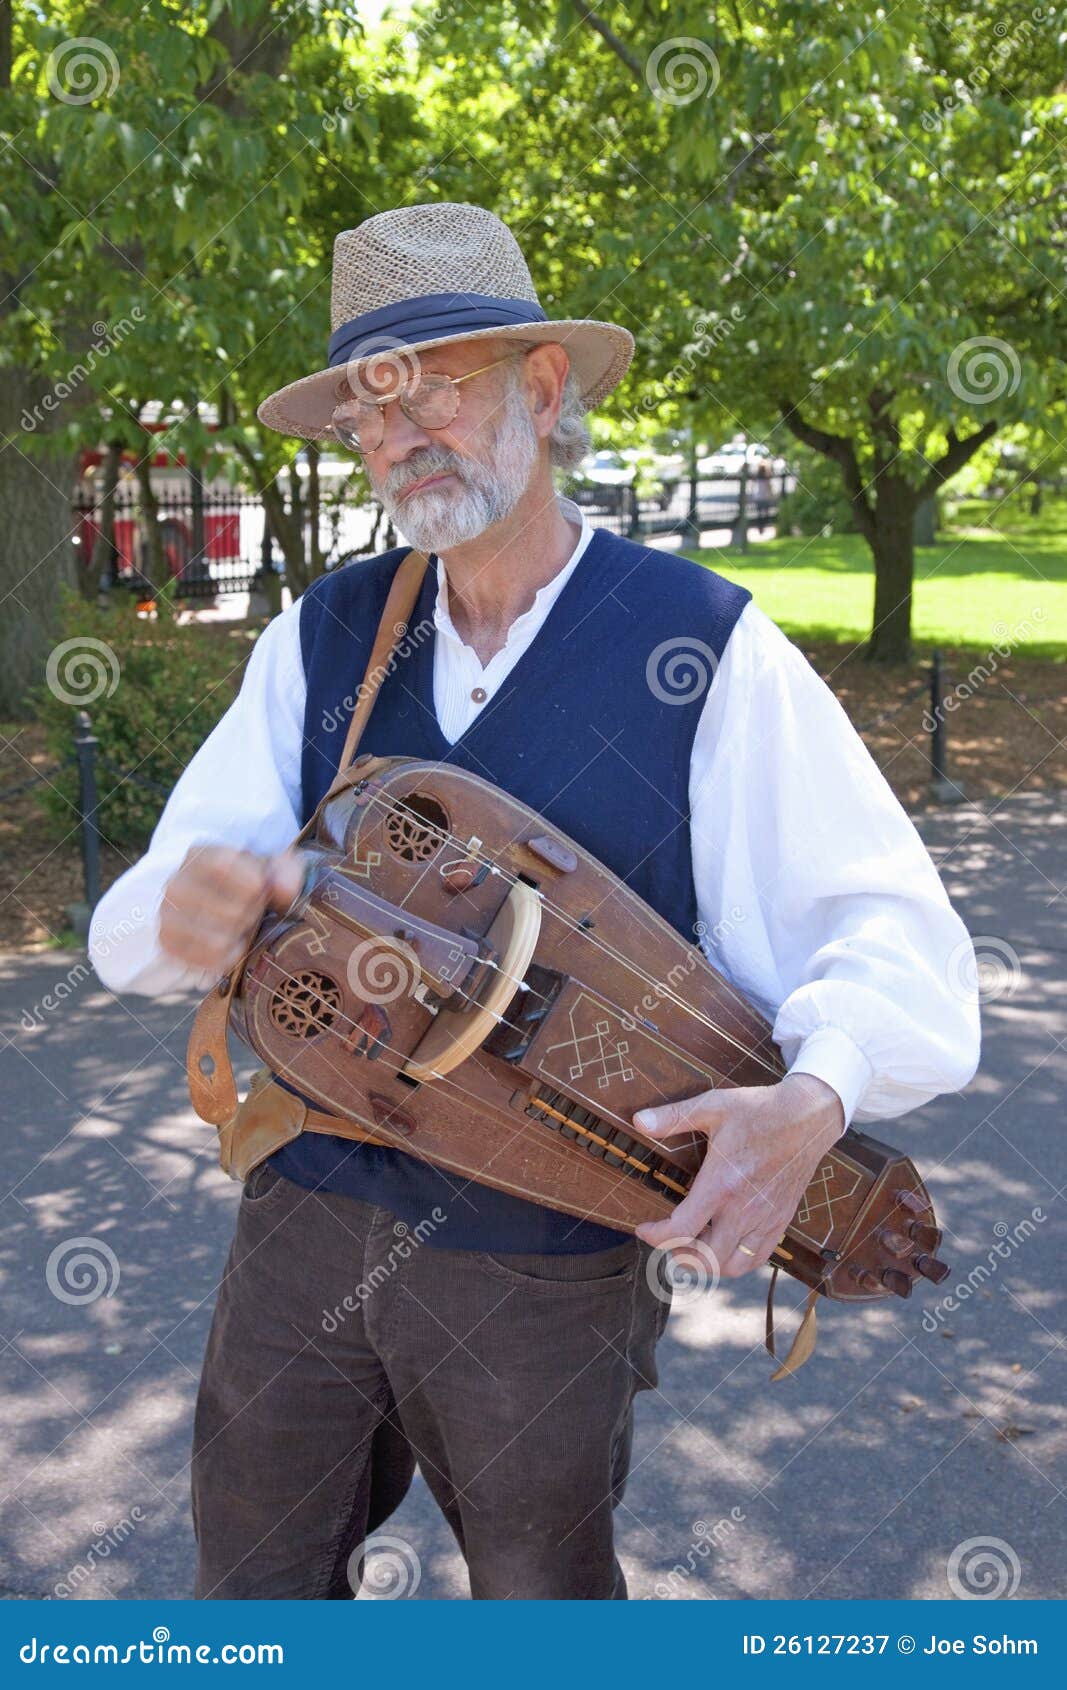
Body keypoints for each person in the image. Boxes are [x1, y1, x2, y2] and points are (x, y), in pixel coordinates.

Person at [89, 203, 981, 1601]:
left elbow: (894, 937)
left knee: (539, 1600)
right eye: (370, 408)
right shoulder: (324, 635)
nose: (400, 435)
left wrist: (816, 1099)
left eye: (434, 386)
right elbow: (144, 915)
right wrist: (186, 909)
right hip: (304, 1207)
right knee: (251, 1586)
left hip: (546, 1249)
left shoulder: (701, 643)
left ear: (545, 388)